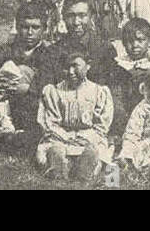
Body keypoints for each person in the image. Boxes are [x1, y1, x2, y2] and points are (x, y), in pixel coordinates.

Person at [0, 3, 56, 160]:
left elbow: (49, 85)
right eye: (25, 27)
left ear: (44, 29)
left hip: (33, 105)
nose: (29, 33)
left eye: (35, 27)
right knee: (6, 69)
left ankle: (19, 133)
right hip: (5, 102)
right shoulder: (7, 49)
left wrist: (25, 89)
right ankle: (5, 127)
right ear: (17, 27)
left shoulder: (48, 52)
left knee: (24, 70)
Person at [35, 51, 114, 182]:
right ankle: (59, 168)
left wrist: (84, 137)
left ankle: (85, 170)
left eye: (75, 66)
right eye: (66, 67)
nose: (71, 72)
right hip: (59, 137)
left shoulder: (99, 91)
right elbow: (50, 123)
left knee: (97, 150)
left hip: (89, 137)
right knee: (53, 148)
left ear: (88, 66)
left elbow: (101, 125)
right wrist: (66, 137)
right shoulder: (54, 91)